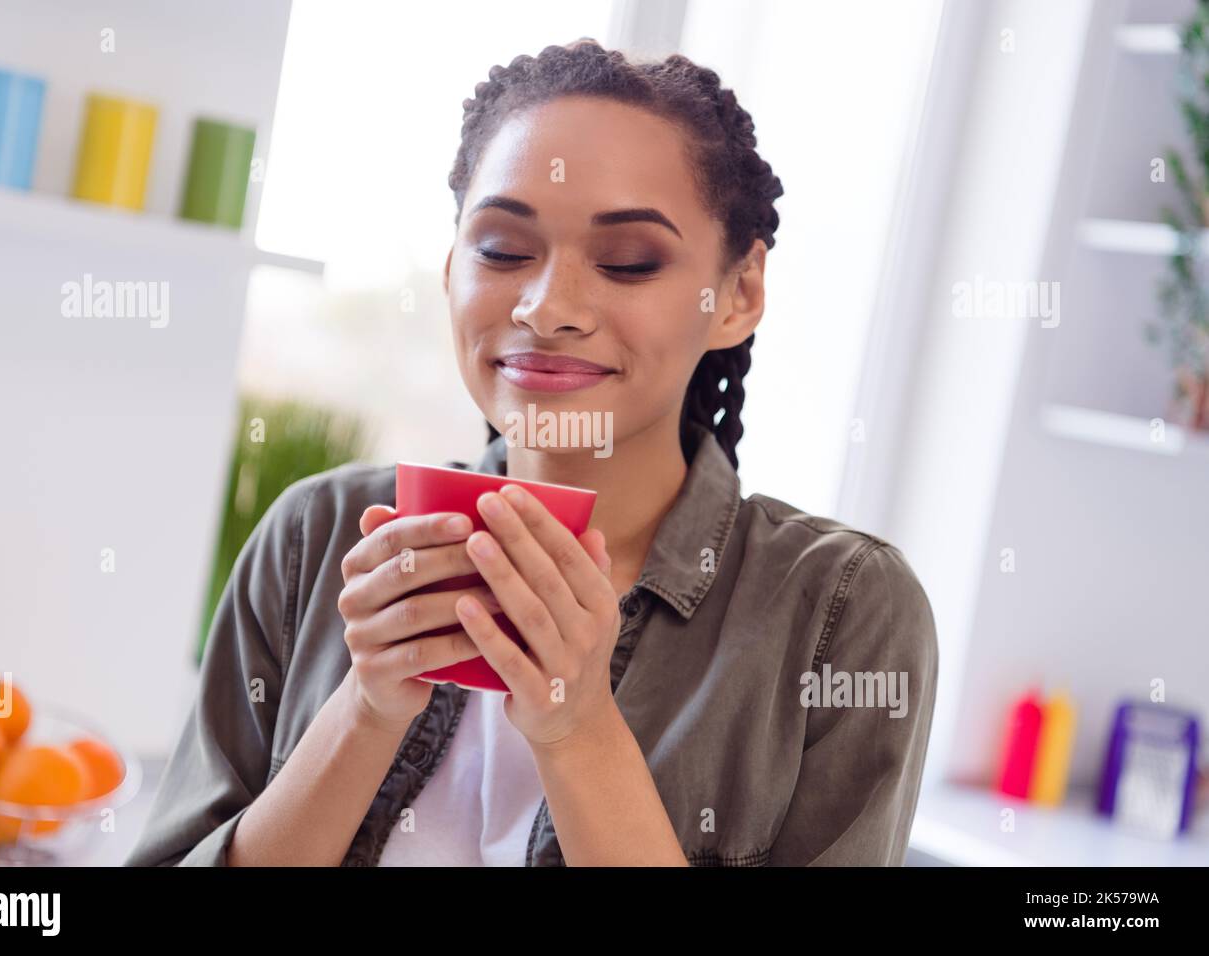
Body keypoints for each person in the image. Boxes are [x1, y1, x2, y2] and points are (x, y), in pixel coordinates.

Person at [125, 38, 938, 868]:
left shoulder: (844, 613)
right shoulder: (316, 538)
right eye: (504, 251)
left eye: (628, 261)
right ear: (451, 268)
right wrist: (366, 710)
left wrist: (578, 729)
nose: (548, 310)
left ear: (738, 295)